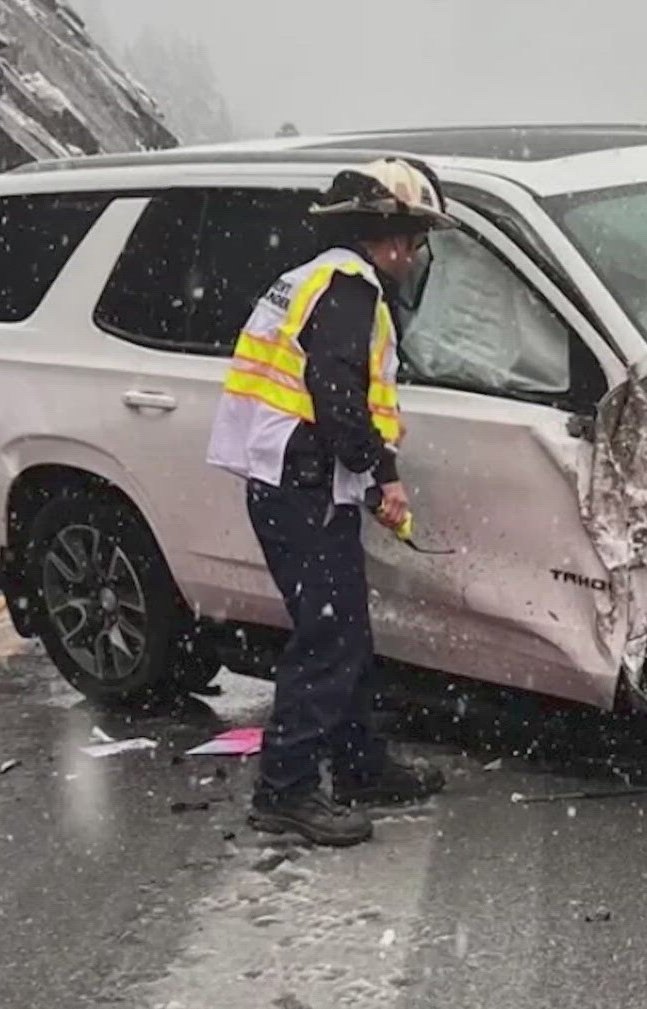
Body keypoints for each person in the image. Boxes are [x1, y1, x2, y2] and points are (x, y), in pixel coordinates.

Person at [205, 158, 453, 846]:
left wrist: (370, 476)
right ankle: (285, 791)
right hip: (300, 485)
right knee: (327, 639)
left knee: (344, 631)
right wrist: (380, 473)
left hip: (295, 482)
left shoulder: (314, 277)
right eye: (416, 241)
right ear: (395, 238)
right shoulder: (350, 288)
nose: (415, 257)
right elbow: (339, 397)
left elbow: (341, 396)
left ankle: (359, 764)